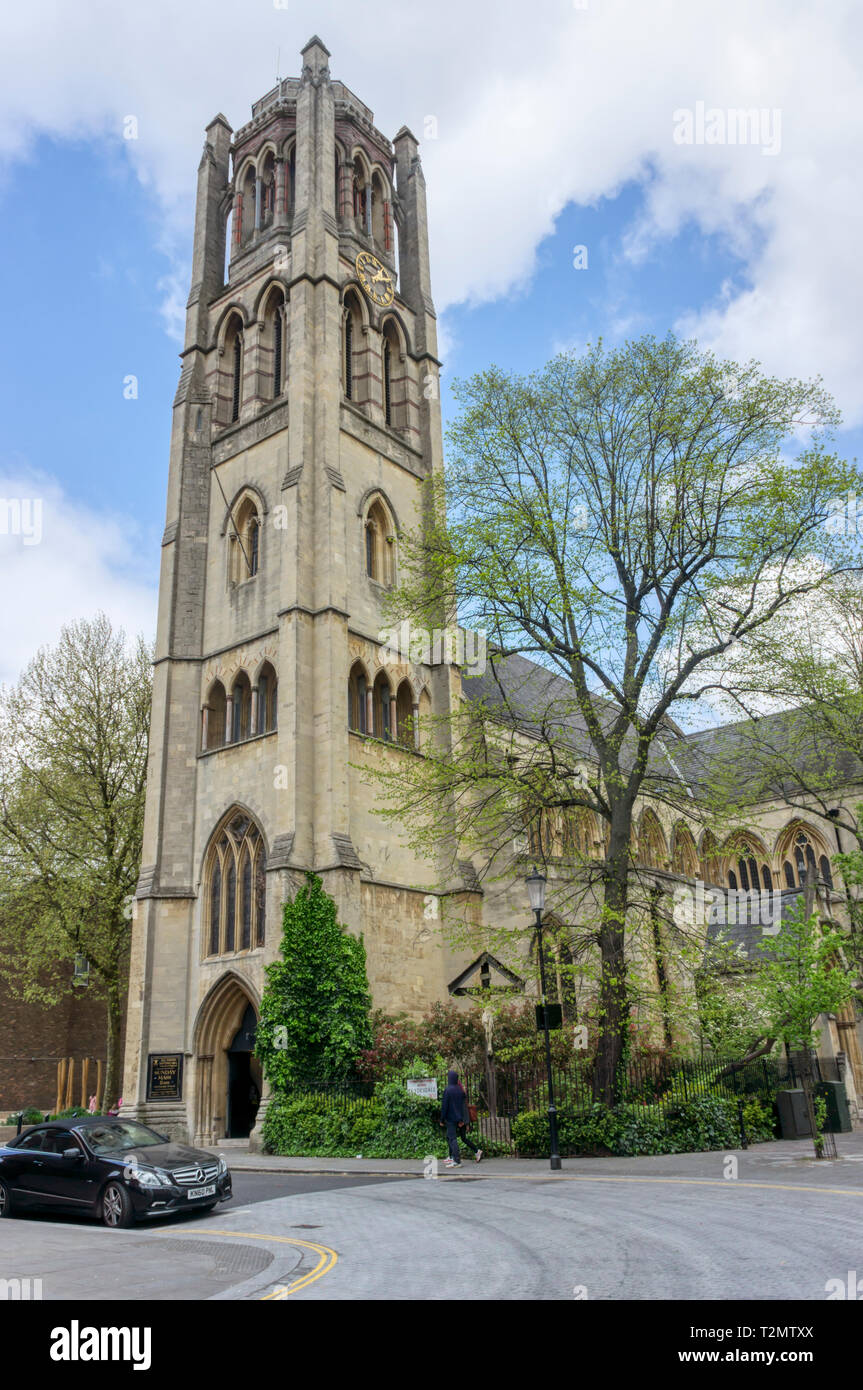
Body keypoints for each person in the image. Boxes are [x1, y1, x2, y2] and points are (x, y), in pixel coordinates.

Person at [439, 1069, 467, 1168]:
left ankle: (456, 1160)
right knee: (449, 1137)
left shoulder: (448, 1090)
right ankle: (452, 1157)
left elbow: (444, 1106)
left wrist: (442, 1119)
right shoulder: (460, 1090)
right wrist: (461, 1119)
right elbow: (461, 1106)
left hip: (450, 1118)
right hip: (458, 1118)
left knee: (452, 1139)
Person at [457, 1080, 483, 1163]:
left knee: (458, 1138)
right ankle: (476, 1151)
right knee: (461, 1138)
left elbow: (464, 1109)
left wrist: (464, 1122)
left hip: (461, 1121)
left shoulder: (460, 1095)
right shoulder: (461, 1094)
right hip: (461, 1120)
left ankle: (476, 1150)